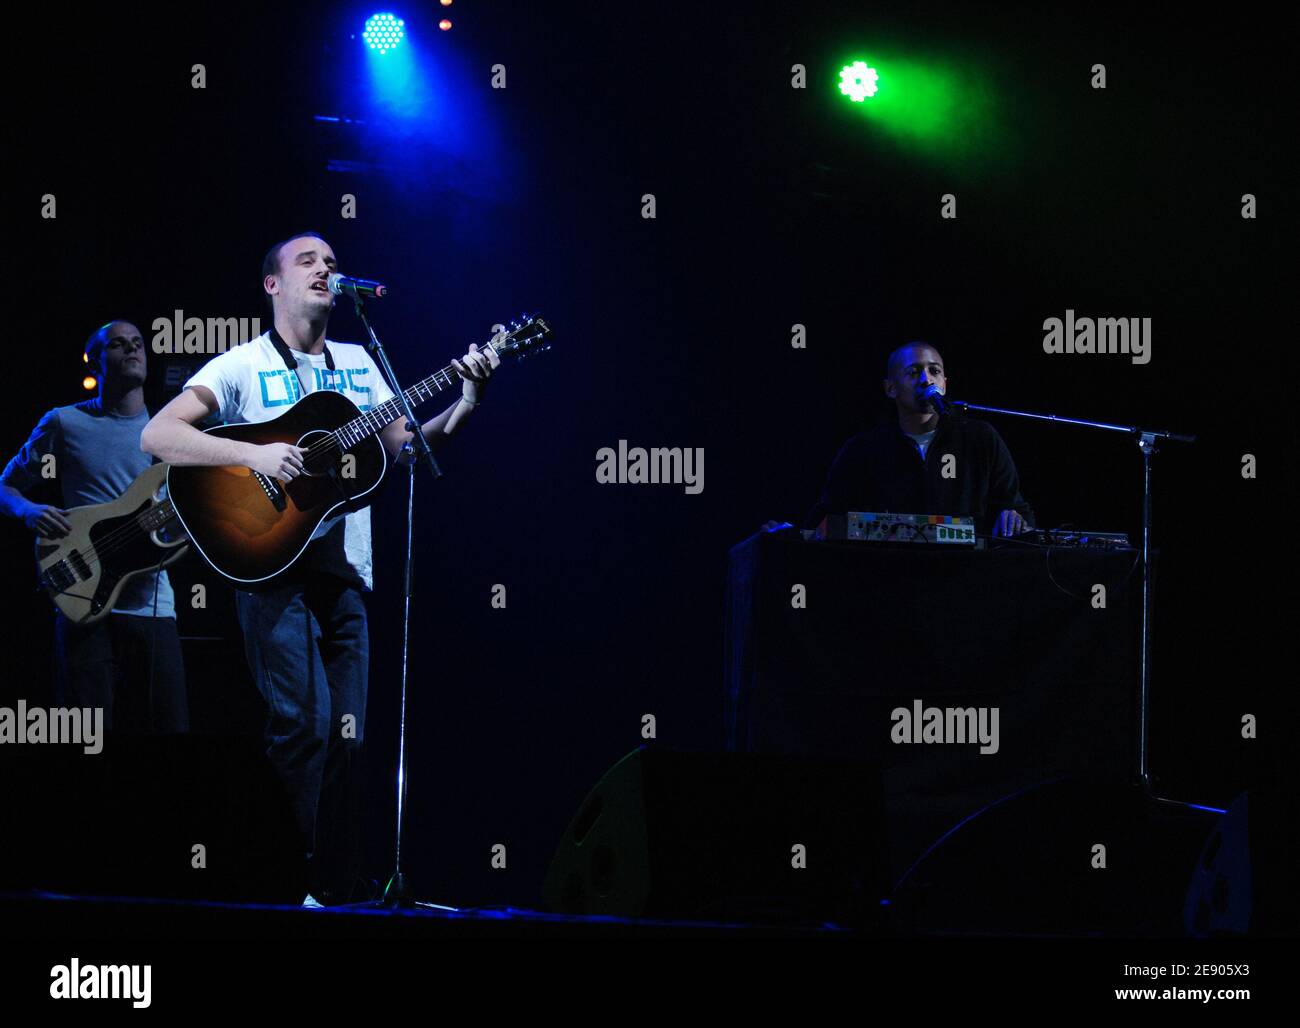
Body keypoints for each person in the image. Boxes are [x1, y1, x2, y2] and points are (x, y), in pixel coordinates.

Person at [140, 232, 498, 905]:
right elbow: (157, 435)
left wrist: (470, 396)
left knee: (348, 734)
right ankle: (282, 877)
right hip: (267, 562)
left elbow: (409, 452)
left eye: (332, 262)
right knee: (301, 724)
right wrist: (254, 459)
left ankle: (333, 885)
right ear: (272, 284)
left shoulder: (362, 362)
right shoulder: (240, 364)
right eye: (307, 260)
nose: (326, 269)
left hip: (344, 571)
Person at [0, 321, 188, 732]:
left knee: (170, 732)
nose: (132, 350)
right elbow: (5, 486)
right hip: (81, 596)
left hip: (153, 603)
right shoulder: (64, 423)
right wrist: (29, 511)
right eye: (118, 345)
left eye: (138, 343)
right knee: (88, 734)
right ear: (95, 362)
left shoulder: (169, 432)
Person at [803, 342, 1035, 536]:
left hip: (966, 572)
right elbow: (827, 516)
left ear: (944, 383)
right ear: (890, 388)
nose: (926, 380)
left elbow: (1015, 508)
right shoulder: (862, 449)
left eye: (934, 371)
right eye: (913, 372)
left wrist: (1011, 516)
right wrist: (787, 533)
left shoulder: (981, 438)